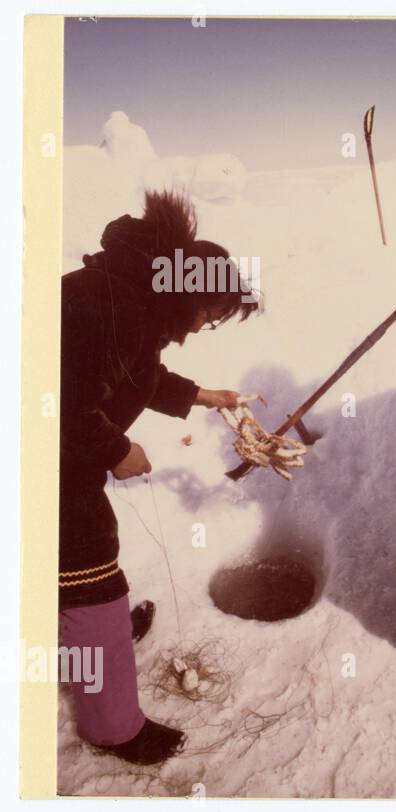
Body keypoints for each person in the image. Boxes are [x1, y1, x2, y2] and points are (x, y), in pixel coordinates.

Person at [60, 190, 254, 764]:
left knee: (68, 567)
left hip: (62, 457)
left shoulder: (132, 299)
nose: (201, 328)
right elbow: (57, 398)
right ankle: (114, 727)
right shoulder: (110, 311)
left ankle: (95, 636)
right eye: (210, 315)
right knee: (90, 567)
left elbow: (139, 371)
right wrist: (116, 446)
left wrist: (200, 395)